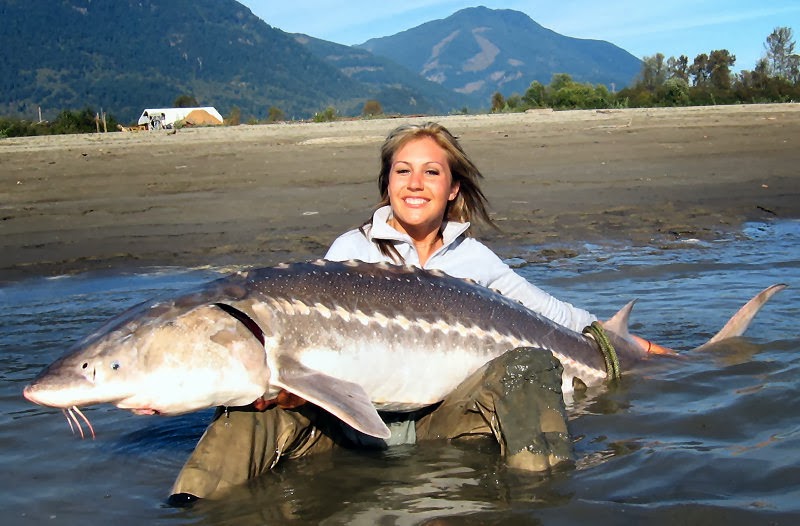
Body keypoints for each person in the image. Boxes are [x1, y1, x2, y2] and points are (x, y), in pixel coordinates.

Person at [168, 121, 667, 505]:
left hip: (442, 422)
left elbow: (555, 312)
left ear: (452, 188)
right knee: (243, 401)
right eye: (402, 171)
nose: (415, 183)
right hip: (348, 424)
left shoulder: (476, 261)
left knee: (528, 367)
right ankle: (190, 505)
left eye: (432, 172)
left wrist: (639, 349)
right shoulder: (349, 251)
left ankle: (543, 501)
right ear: (386, 184)